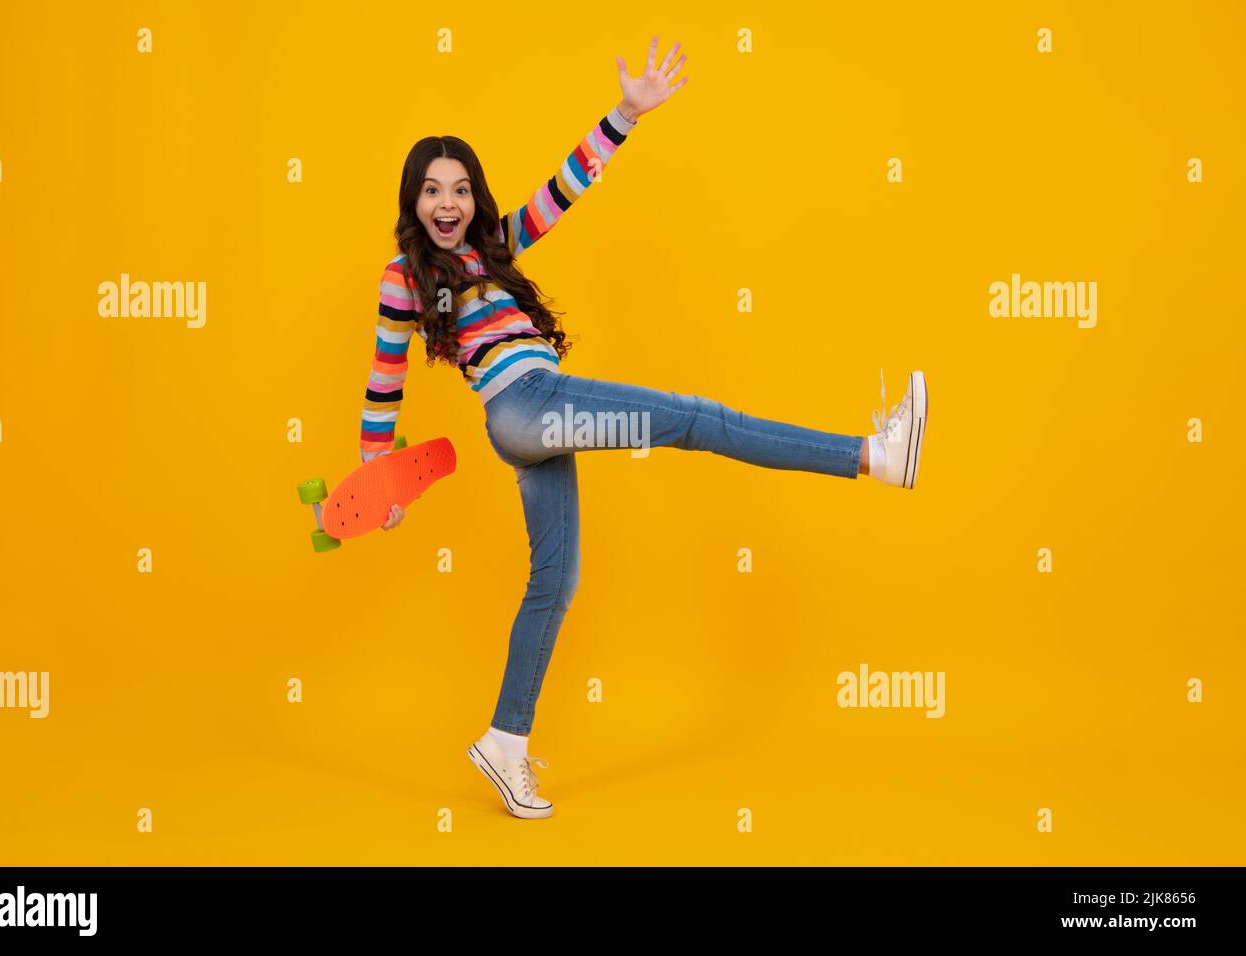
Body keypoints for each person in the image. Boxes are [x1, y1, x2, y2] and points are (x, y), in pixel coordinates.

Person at [358, 37, 928, 819]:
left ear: (476, 196)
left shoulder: (497, 247)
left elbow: (564, 189)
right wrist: (374, 480)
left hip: (535, 420)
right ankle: (875, 454)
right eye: (432, 191)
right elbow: (384, 380)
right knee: (697, 420)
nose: (448, 203)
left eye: (460, 188)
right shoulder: (405, 276)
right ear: (413, 201)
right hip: (528, 406)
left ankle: (505, 743)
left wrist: (625, 114)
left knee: (555, 581)